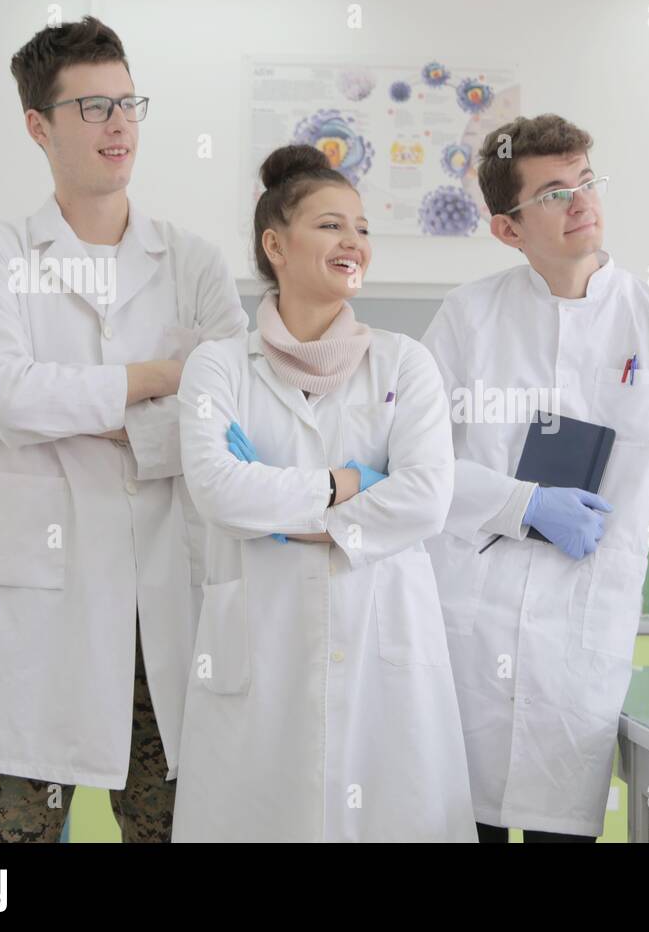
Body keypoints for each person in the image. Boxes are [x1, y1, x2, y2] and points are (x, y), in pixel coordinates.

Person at [0, 16, 247, 842]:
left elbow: (235, 414)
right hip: (37, 613)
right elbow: (12, 395)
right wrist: (158, 380)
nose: (121, 124)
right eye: (95, 106)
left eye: (129, 102)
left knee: (177, 824)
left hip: (165, 604)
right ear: (40, 126)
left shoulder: (194, 261)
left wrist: (113, 419)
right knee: (5, 844)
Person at [421, 114, 649, 842]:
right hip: (466, 643)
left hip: (577, 650)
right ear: (509, 230)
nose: (581, 202)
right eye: (553, 192)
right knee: (457, 826)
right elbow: (414, 466)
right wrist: (520, 503)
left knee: (560, 828)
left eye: (586, 181)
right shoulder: (469, 316)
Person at [172, 144, 476, 842]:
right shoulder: (219, 367)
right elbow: (218, 490)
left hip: (383, 655)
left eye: (363, 229)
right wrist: (346, 487)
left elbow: (427, 498)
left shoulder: (406, 361)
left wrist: (285, 512)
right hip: (260, 660)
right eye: (332, 225)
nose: (354, 243)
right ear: (274, 244)